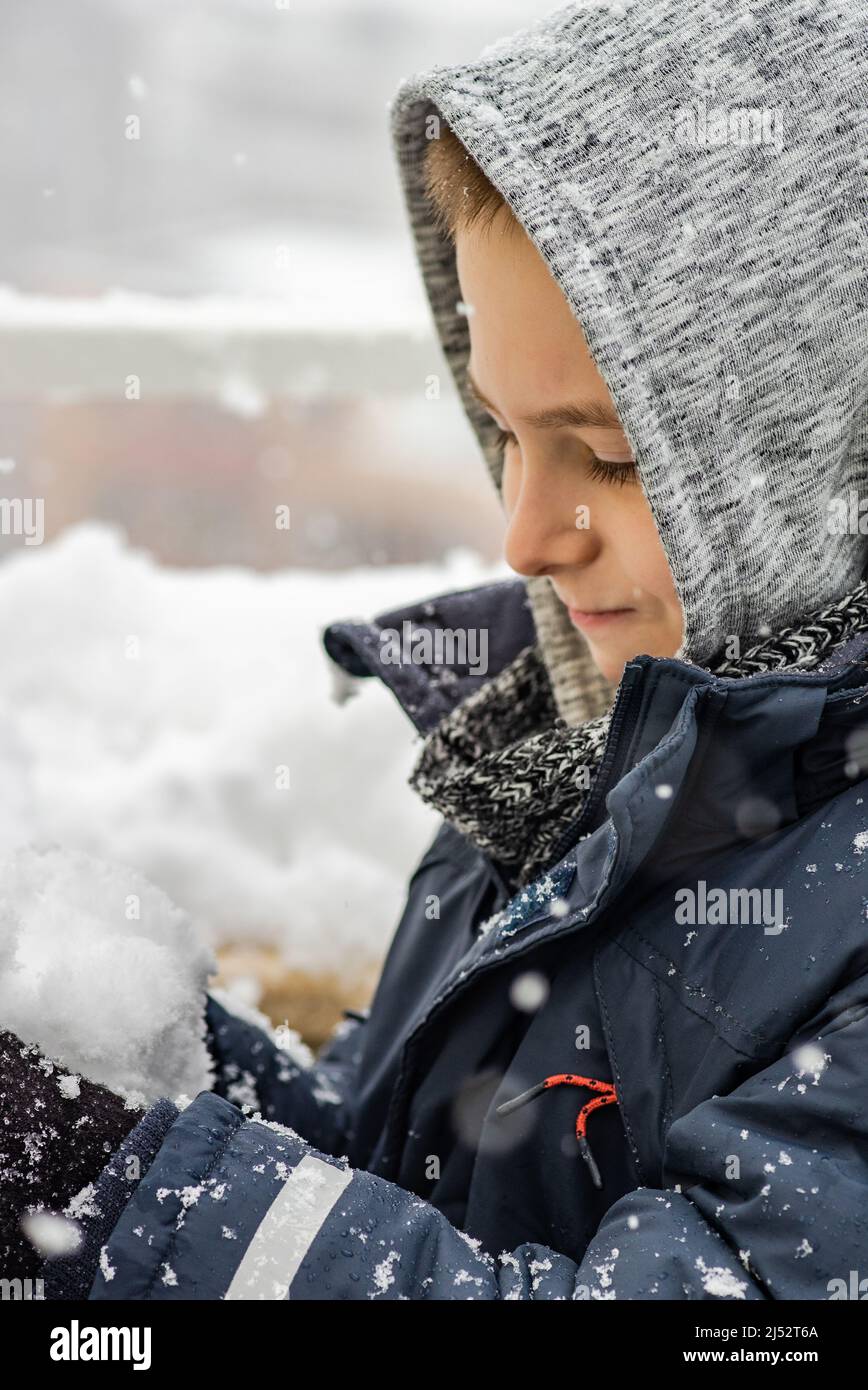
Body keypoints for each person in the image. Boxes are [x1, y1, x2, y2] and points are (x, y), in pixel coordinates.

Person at [2, 0, 868, 1300]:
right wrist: (122, 1076)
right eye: (504, 433)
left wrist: (127, 1196)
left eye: (613, 461)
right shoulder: (562, 750)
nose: (523, 536)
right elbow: (405, 1181)